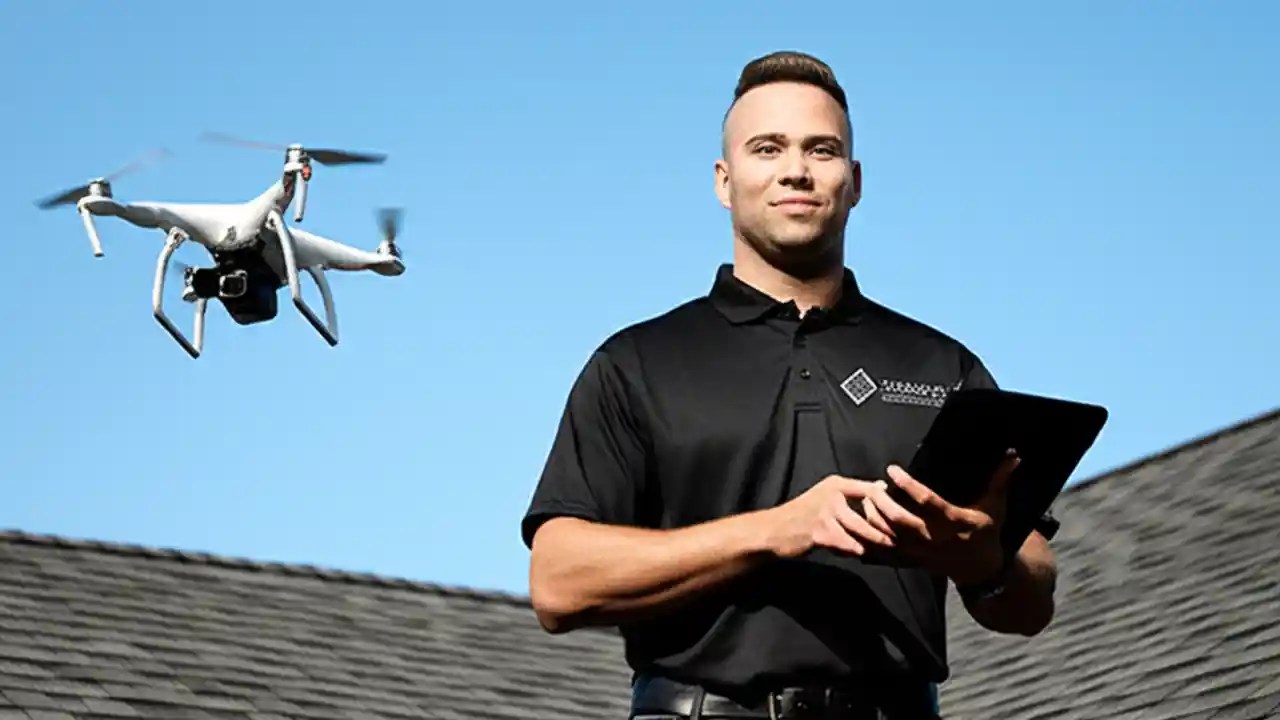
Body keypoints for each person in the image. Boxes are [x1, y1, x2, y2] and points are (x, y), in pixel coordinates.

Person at [520, 50, 1060, 720]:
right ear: (724, 179)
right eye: (767, 148)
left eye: (821, 149)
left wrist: (988, 563)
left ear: (855, 180)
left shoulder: (942, 367)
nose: (796, 170)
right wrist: (779, 530)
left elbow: (1033, 596)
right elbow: (557, 583)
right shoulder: (636, 363)